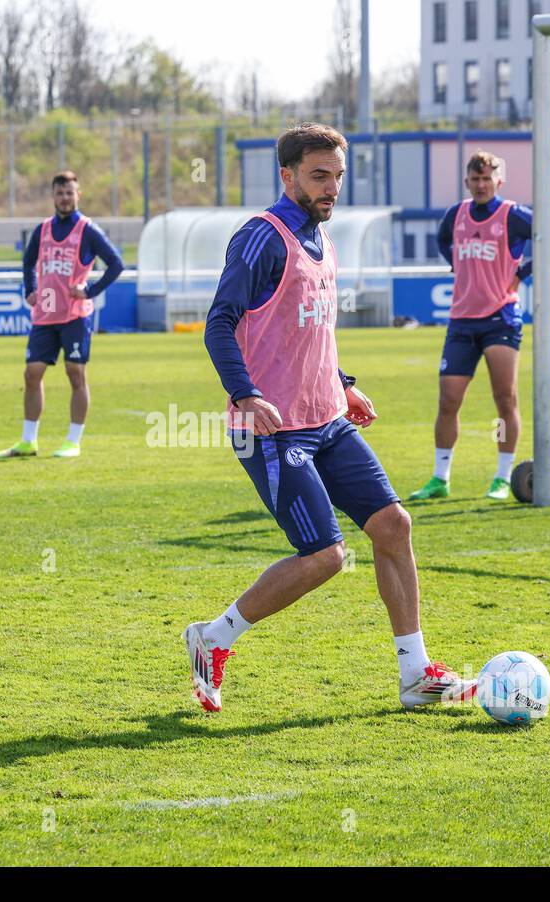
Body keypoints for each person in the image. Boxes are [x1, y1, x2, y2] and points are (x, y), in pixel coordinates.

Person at [186, 122, 477, 713]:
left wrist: (342, 385)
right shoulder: (260, 239)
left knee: (394, 526)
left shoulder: (324, 241)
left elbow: (309, 330)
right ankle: (212, 638)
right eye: (320, 176)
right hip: (272, 428)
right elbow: (220, 322)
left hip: (326, 419)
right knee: (326, 556)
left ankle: (416, 674)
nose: (332, 188)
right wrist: (245, 395)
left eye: (338, 177)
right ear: (287, 174)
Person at [409, 150, 550, 502]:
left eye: (487, 178)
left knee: (504, 399)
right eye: (475, 179)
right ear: (467, 182)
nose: (481, 185)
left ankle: (500, 477)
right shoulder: (457, 215)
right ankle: (440, 478)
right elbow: (441, 240)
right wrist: (457, 263)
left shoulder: (513, 215)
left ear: (499, 181)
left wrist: (521, 274)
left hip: (500, 320)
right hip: (461, 321)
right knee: (448, 401)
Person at [0, 170, 124, 459]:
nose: (65, 198)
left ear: (78, 195)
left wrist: (90, 290)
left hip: (75, 314)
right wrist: (30, 289)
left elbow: (116, 263)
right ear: (53, 196)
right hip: (46, 313)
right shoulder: (42, 229)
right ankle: (28, 441)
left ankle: (73, 441)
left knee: (75, 373)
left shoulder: (87, 229)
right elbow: (28, 261)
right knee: (32, 374)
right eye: (60, 193)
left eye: (70, 193)